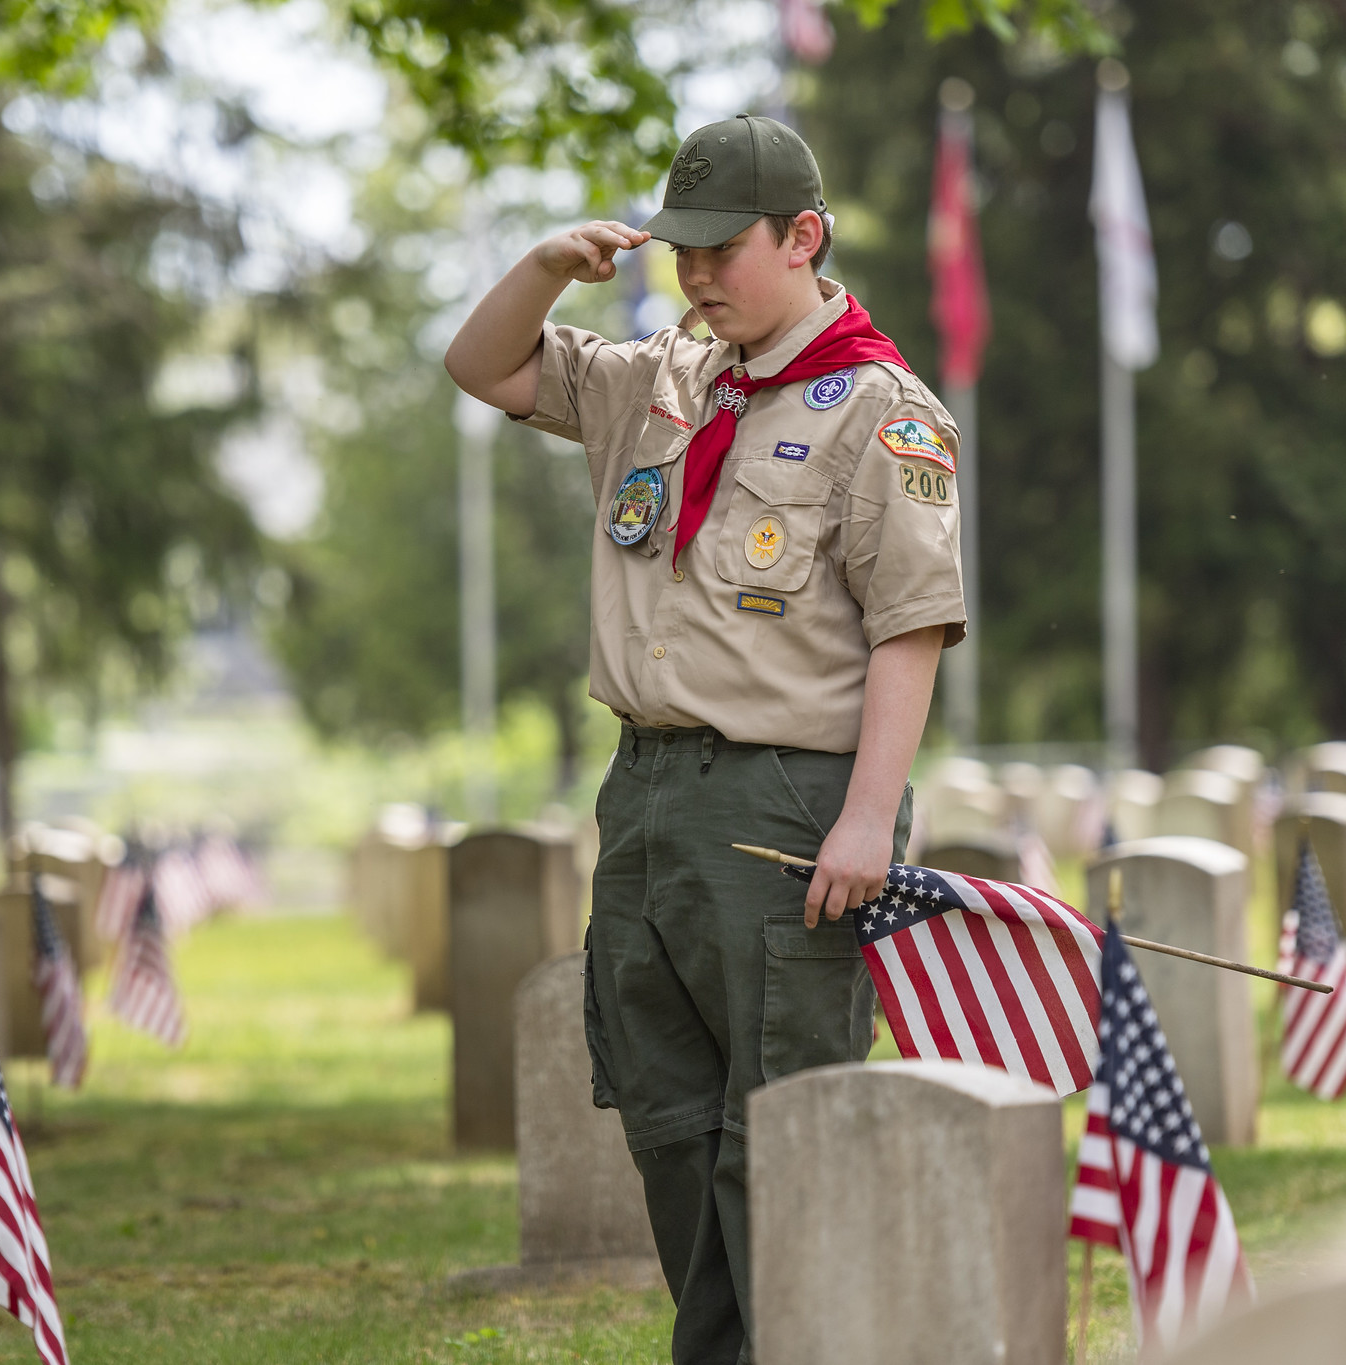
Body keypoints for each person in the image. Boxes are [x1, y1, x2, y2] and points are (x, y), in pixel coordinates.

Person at [444, 114, 965, 1364]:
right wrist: (539, 269)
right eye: (681, 251)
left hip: (787, 803)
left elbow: (910, 628)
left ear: (803, 238)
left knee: (779, 1114)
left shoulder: (880, 410)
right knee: (665, 1112)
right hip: (647, 792)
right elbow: (480, 367)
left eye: (722, 250)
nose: (696, 276)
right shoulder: (657, 381)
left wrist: (863, 818)